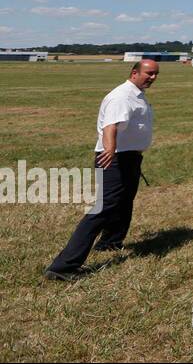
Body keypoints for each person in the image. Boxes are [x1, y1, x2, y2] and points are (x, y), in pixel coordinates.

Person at [45, 60, 160, 281]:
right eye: (149, 73)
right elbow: (111, 125)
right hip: (114, 158)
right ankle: (62, 267)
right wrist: (110, 149)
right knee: (102, 209)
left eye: (156, 74)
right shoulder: (121, 96)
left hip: (129, 158)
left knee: (124, 201)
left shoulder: (136, 93)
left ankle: (111, 242)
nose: (153, 77)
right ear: (134, 72)